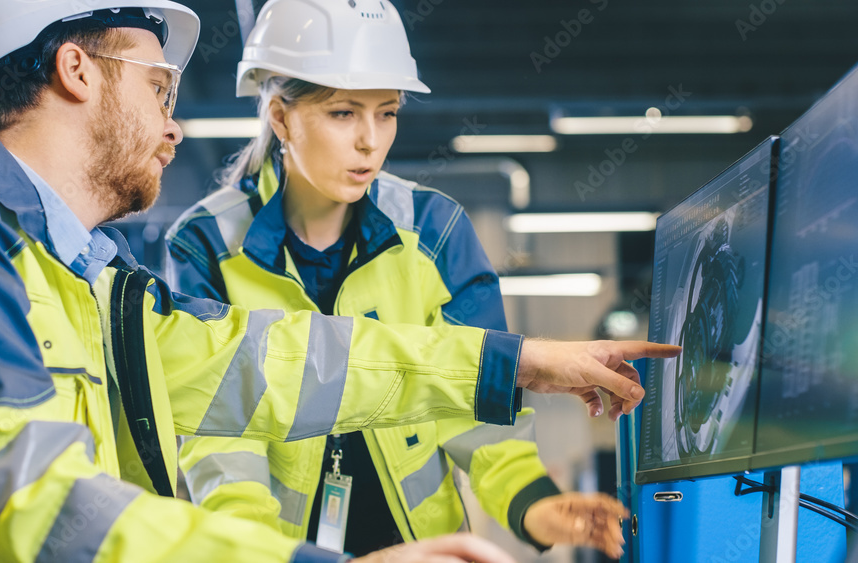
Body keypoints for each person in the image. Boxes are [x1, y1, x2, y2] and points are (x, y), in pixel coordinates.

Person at [0, 1, 678, 562]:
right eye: (158, 87)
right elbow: (40, 507)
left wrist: (519, 361)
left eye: (386, 112)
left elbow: (273, 362)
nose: (174, 124)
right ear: (76, 68)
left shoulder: (90, 281)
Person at [165, 0, 633, 559]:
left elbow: (475, 402)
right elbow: (219, 434)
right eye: (344, 113)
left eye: (386, 112)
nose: (371, 141)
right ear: (281, 117)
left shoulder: (436, 230)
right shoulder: (205, 245)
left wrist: (534, 503)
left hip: (423, 549)